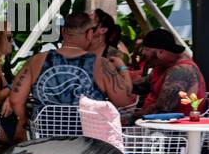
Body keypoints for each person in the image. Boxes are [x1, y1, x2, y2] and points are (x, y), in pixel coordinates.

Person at [7, 11, 135, 139]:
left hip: (45, 137)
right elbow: (123, 101)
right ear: (89, 33)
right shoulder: (101, 64)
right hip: (89, 141)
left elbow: (15, 100)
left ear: (63, 31)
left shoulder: (36, 61)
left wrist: (23, 120)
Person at [131, 28, 205, 117]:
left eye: (146, 49)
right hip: (152, 123)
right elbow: (142, 86)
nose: (143, 53)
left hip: (173, 128)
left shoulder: (180, 71)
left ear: (161, 52)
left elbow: (161, 109)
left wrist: (129, 118)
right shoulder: (163, 65)